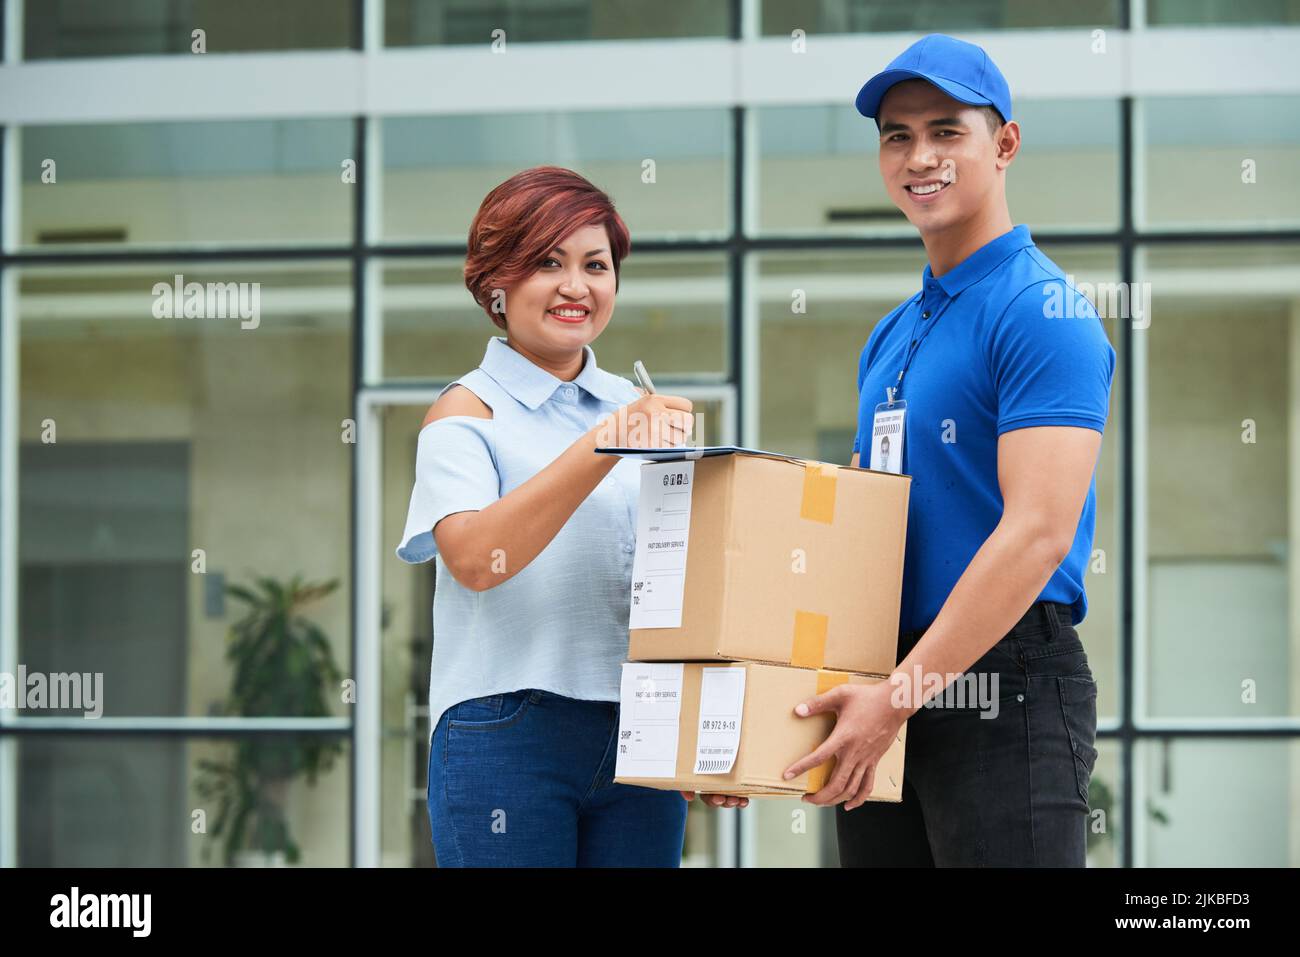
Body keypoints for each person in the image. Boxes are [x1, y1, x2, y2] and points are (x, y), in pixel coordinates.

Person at [782, 34, 1116, 866]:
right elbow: (857, 541)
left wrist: (898, 694)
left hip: (1005, 684)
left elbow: (1037, 533)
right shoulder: (892, 334)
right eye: (897, 135)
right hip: (887, 683)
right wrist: (753, 727)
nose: (918, 156)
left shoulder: (1042, 310)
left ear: (1004, 144)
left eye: (945, 130)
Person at [395, 166, 698, 866]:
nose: (576, 286)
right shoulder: (466, 413)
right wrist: (604, 443)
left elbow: (681, 584)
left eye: (596, 265)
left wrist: (707, 733)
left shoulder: (633, 405)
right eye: (546, 263)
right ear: (495, 283)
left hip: (637, 736)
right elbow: (474, 558)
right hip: (506, 732)